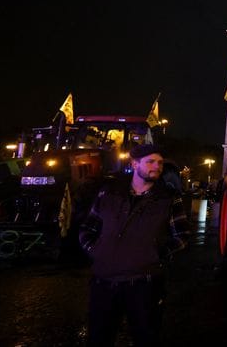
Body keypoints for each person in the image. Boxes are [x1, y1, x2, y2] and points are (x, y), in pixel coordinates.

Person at [79, 143, 190, 346]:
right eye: (150, 162)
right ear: (134, 164)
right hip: (103, 283)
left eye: (160, 163)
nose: (157, 166)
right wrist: (96, 251)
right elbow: (88, 228)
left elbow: (182, 236)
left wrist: (154, 255)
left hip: (144, 285)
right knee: (98, 338)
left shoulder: (169, 198)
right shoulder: (109, 193)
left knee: (145, 337)